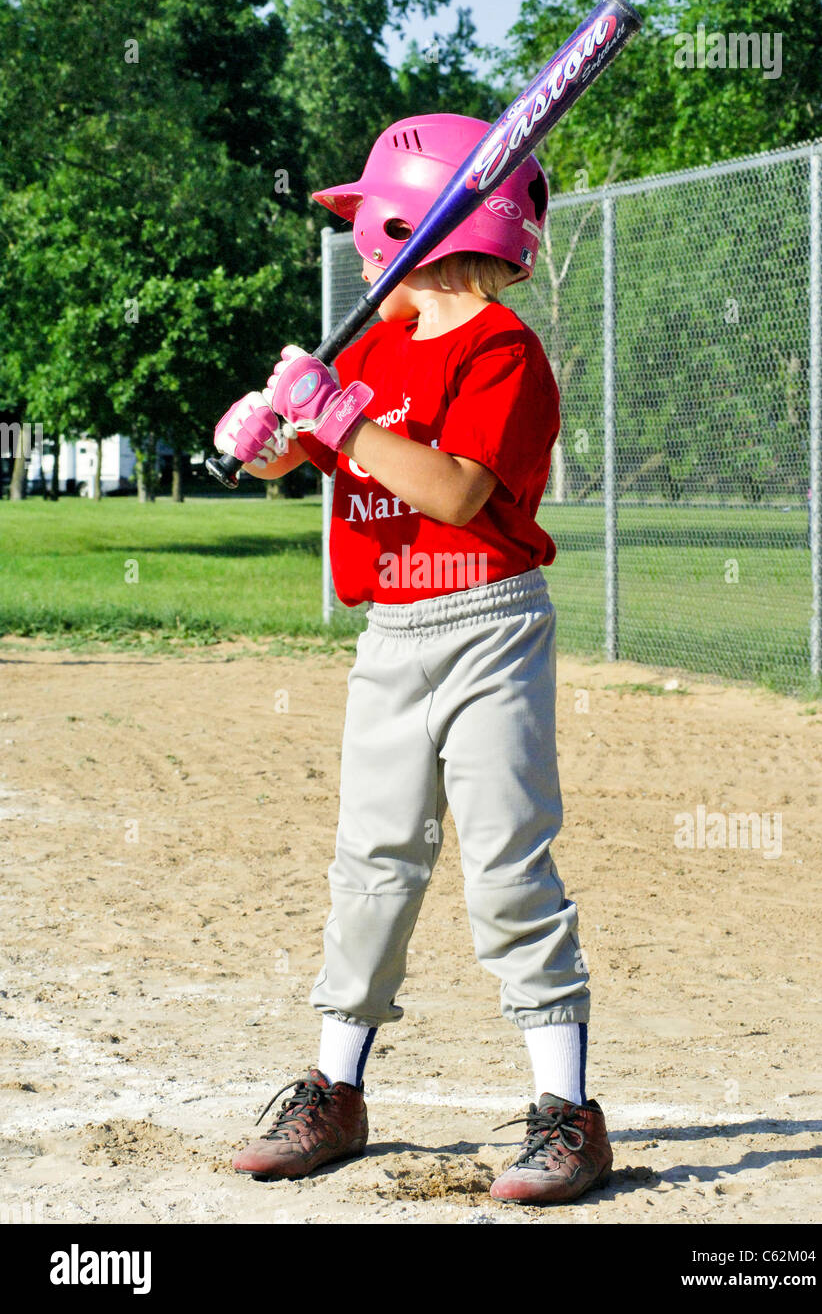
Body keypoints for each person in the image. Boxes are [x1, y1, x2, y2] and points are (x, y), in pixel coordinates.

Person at [212, 113, 612, 1206]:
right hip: (393, 637)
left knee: (505, 860)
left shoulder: (501, 351)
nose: (359, 252)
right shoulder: (371, 351)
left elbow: (455, 491)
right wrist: (265, 439)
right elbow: (304, 451)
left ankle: (565, 1111)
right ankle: (335, 1090)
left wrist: (333, 418)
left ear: (414, 228)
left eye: (368, 232)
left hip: (488, 627)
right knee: (373, 859)